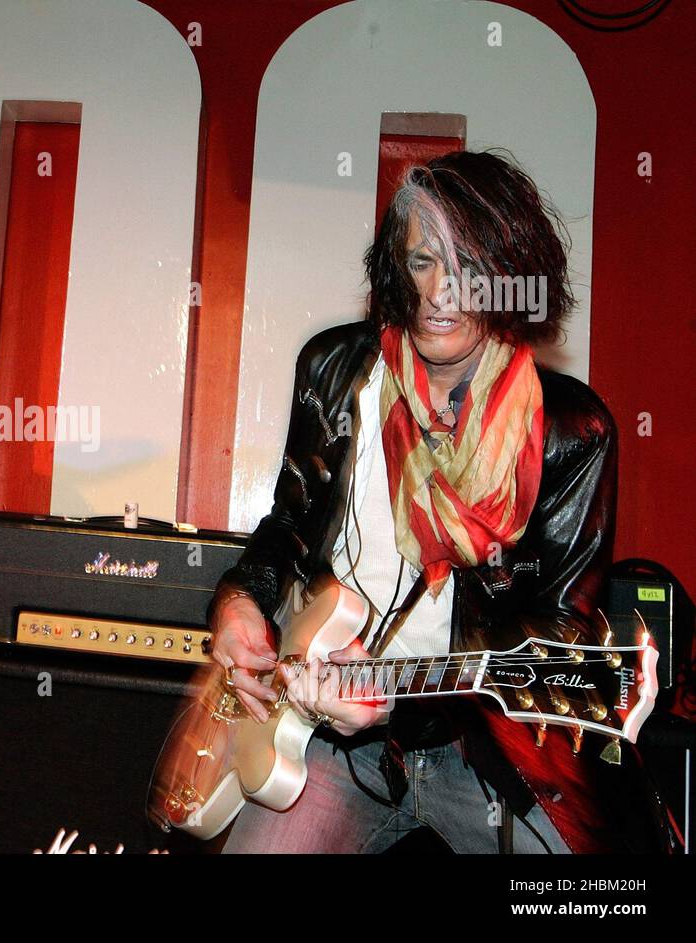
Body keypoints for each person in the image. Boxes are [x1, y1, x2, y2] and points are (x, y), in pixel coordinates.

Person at [209, 150, 670, 854]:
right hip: (328, 739)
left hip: (488, 741)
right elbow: (289, 526)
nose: (442, 292)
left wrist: (395, 692)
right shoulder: (335, 371)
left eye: (472, 268)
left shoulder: (574, 431)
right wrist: (242, 596)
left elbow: (558, 629)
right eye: (423, 261)